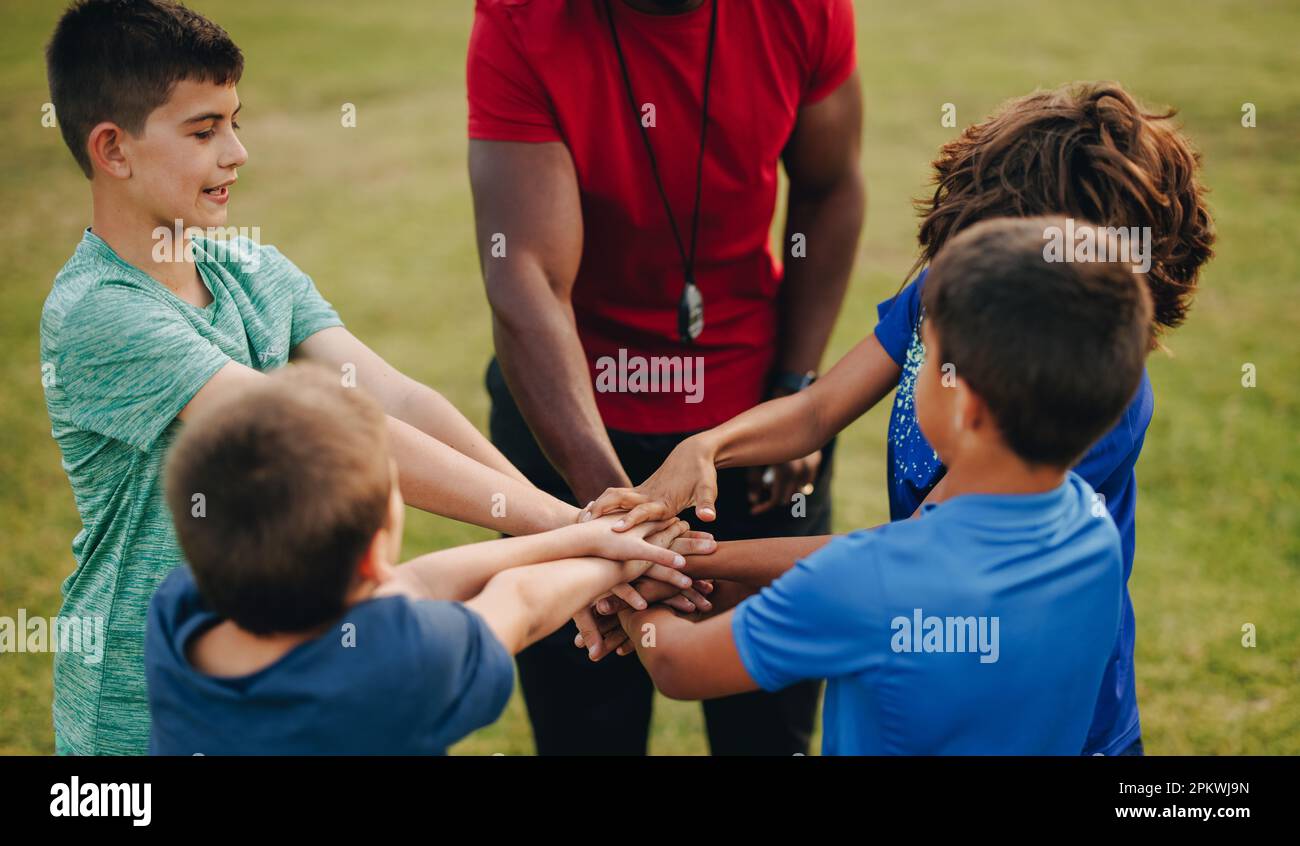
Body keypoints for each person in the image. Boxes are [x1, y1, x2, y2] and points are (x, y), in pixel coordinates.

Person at [39, 0, 687, 755]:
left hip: (298, 657)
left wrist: (570, 525)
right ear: (113, 150)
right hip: (144, 706)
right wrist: (579, 534)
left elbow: (396, 397)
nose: (238, 152)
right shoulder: (100, 314)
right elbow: (327, 437)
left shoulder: (252, 269)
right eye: (204, 130)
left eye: (236, 121)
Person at [585, 82, 1215, 756]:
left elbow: (907, 559)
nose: (920, 342)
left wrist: (654, 566)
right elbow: (820, 408)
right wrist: (704, 448)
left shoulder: (1072, 399)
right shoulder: (969, 295)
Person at [467, 0, 864, 755]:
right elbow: (526, 275)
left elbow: (830, 185)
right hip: (571, 428)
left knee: (769, 731)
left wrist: (794, 388)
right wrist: (620, 518)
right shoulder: (523, 17)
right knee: (586, 729)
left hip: (755, 430)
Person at [615, 216, 1151, 754]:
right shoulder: (1094, 531)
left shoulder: (867, 584)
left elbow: (677, 663)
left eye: (926, 356)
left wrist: (633, 580)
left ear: (965, 404)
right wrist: (696, 557)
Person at [146, 365, 712, 755]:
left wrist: (588, 537)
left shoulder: (178, 614)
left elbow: (411, 583)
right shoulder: (407, 661)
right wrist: (628, 556)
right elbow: (520, 603)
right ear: (374, 553)